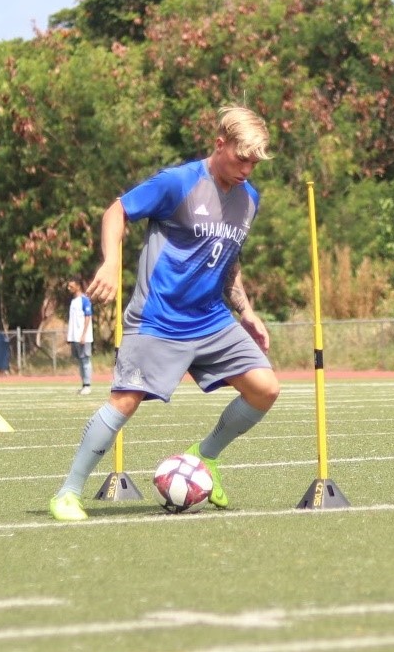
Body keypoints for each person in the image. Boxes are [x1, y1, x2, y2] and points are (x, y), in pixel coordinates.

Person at [49, 105, 281, 522]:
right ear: (220, 144)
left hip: (211, 318)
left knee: (265, 389)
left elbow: (228, 257)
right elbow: (116, 211)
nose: (248, 168)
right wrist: (110, 262)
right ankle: (68, 492)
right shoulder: (178, 182)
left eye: (255, 161)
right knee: (125, 400)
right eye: (241, 158)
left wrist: (245, 311)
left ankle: (205, 457)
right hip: (158, 316)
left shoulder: (250, 200)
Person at [65, 278, 94, 395]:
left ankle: (88, 385)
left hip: (83, 337)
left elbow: (88, 317)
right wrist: (70, 336)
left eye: (71, 286)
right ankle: (83, 385)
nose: (69, 289)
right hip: (75, 337)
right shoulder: (73, 301)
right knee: (80, 361)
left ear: (77, 286)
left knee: (85, 360)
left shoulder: (84, 300)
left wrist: (83, 335)